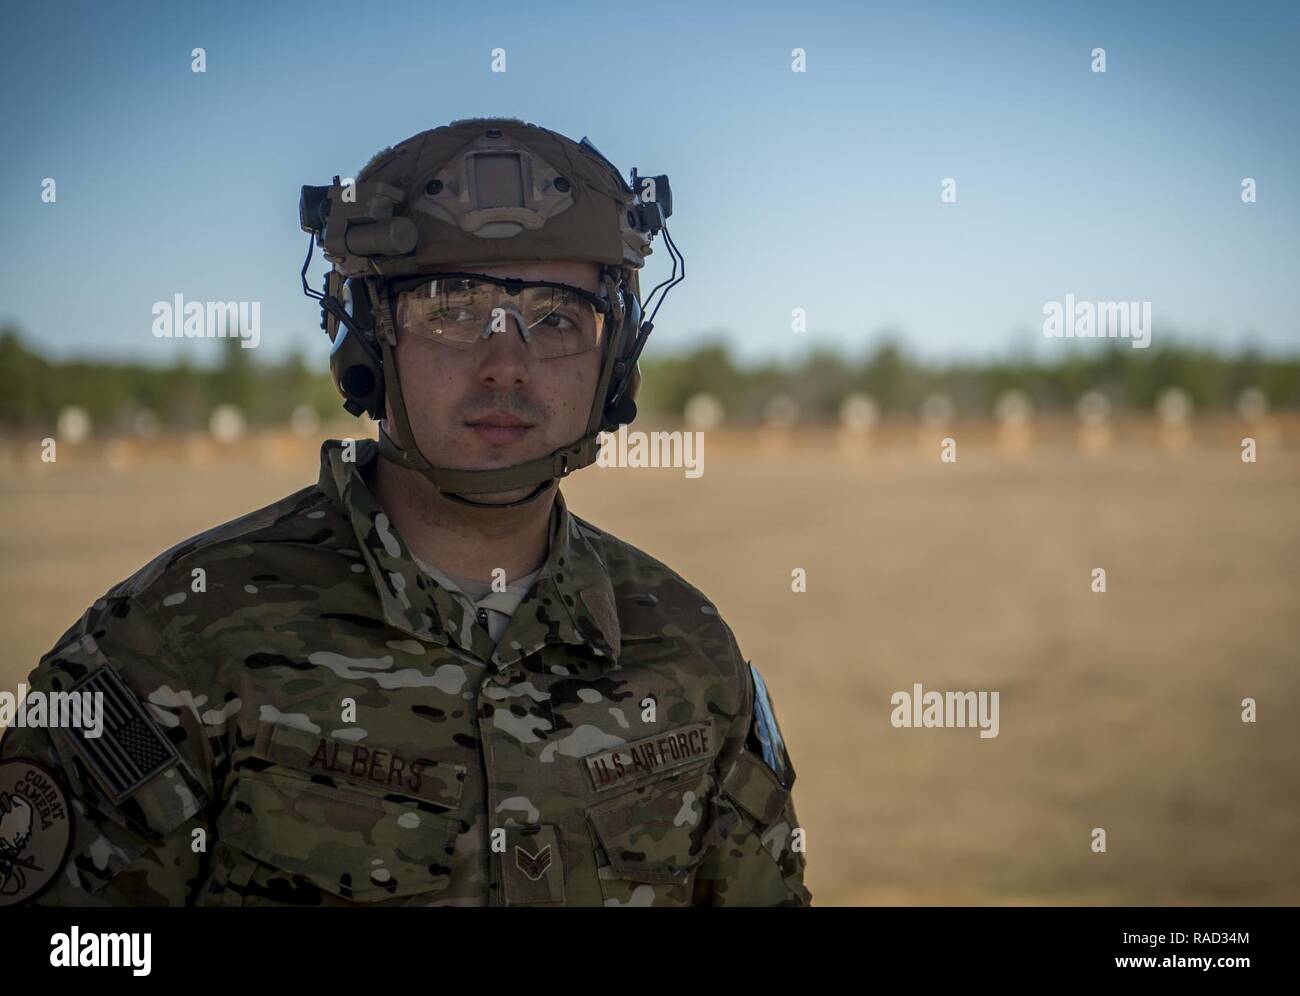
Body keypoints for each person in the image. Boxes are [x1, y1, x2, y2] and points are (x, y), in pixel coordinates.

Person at [0, 117, 811, 906]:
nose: (505, 365)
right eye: (451, 310)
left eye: (557, 317)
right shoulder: (171, 643)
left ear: (616, 359)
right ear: (365, 342)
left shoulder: (686, 648)